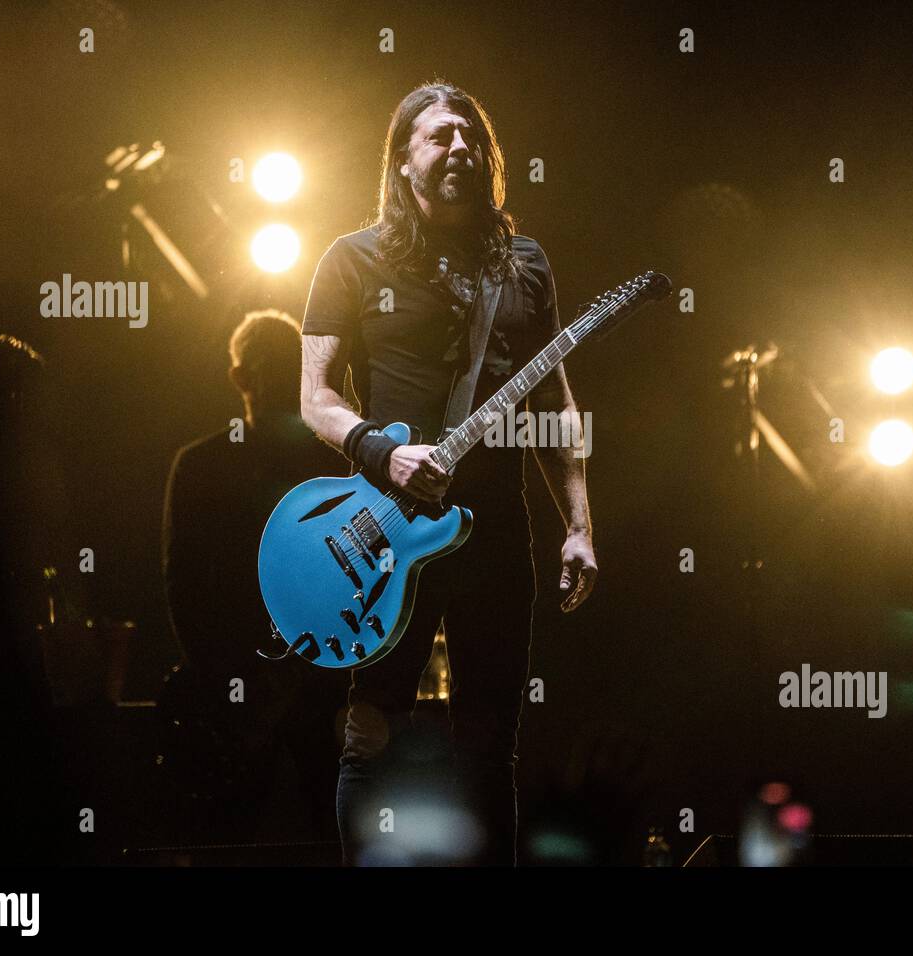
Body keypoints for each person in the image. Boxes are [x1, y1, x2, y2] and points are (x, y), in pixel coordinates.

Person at [299, 81, 597, 865]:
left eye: (472, 137)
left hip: (496, 532)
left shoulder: (526, 267)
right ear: (403, 163)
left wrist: (579, 525)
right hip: (387, 529)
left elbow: (557, 408)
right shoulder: (352, 259)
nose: (460, 147)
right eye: (439, 137)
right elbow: (316, 396)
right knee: (371, 733)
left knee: (489, 745)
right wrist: (380, 449)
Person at [162, 309, 348, 848]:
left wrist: (237, 689)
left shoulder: (202, 463)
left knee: (230, 842)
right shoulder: (335, 464)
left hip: (260, 692)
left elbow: (186, 589)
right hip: (308, 688)